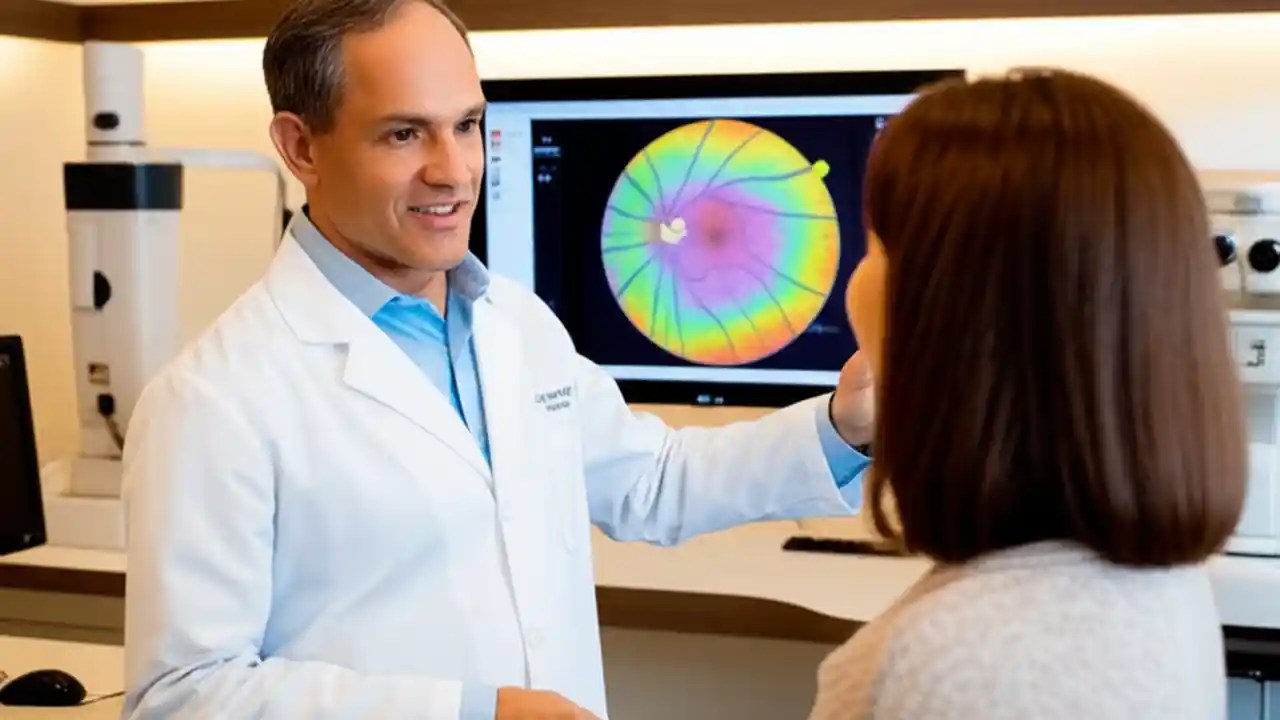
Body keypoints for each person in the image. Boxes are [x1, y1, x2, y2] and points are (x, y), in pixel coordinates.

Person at [118, 1, 877, 718]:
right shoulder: (213, 397)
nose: (454, 171)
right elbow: (184, 694)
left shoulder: (513, 321)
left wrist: (846, 427)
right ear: (300, 147)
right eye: (404, 135)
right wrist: (470, 712)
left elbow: (651, 479)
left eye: (468, 125)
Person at [807, 68, 1247, 720]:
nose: (854, 280)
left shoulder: (960, 661)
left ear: (954, 309)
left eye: (875, 245)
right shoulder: (1153, 581)